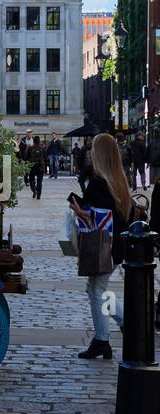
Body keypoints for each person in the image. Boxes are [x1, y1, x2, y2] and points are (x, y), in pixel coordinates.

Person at [71, 133, 133, 360]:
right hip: (117, 246)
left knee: (96, 290)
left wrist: (80, 211)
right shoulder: (119, 179)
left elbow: (101, 216)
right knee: (98, 288)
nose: (89, 153)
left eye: (93, 149)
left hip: (104, 245)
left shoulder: (98, 181)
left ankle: (102, 340)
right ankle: (125, 323)